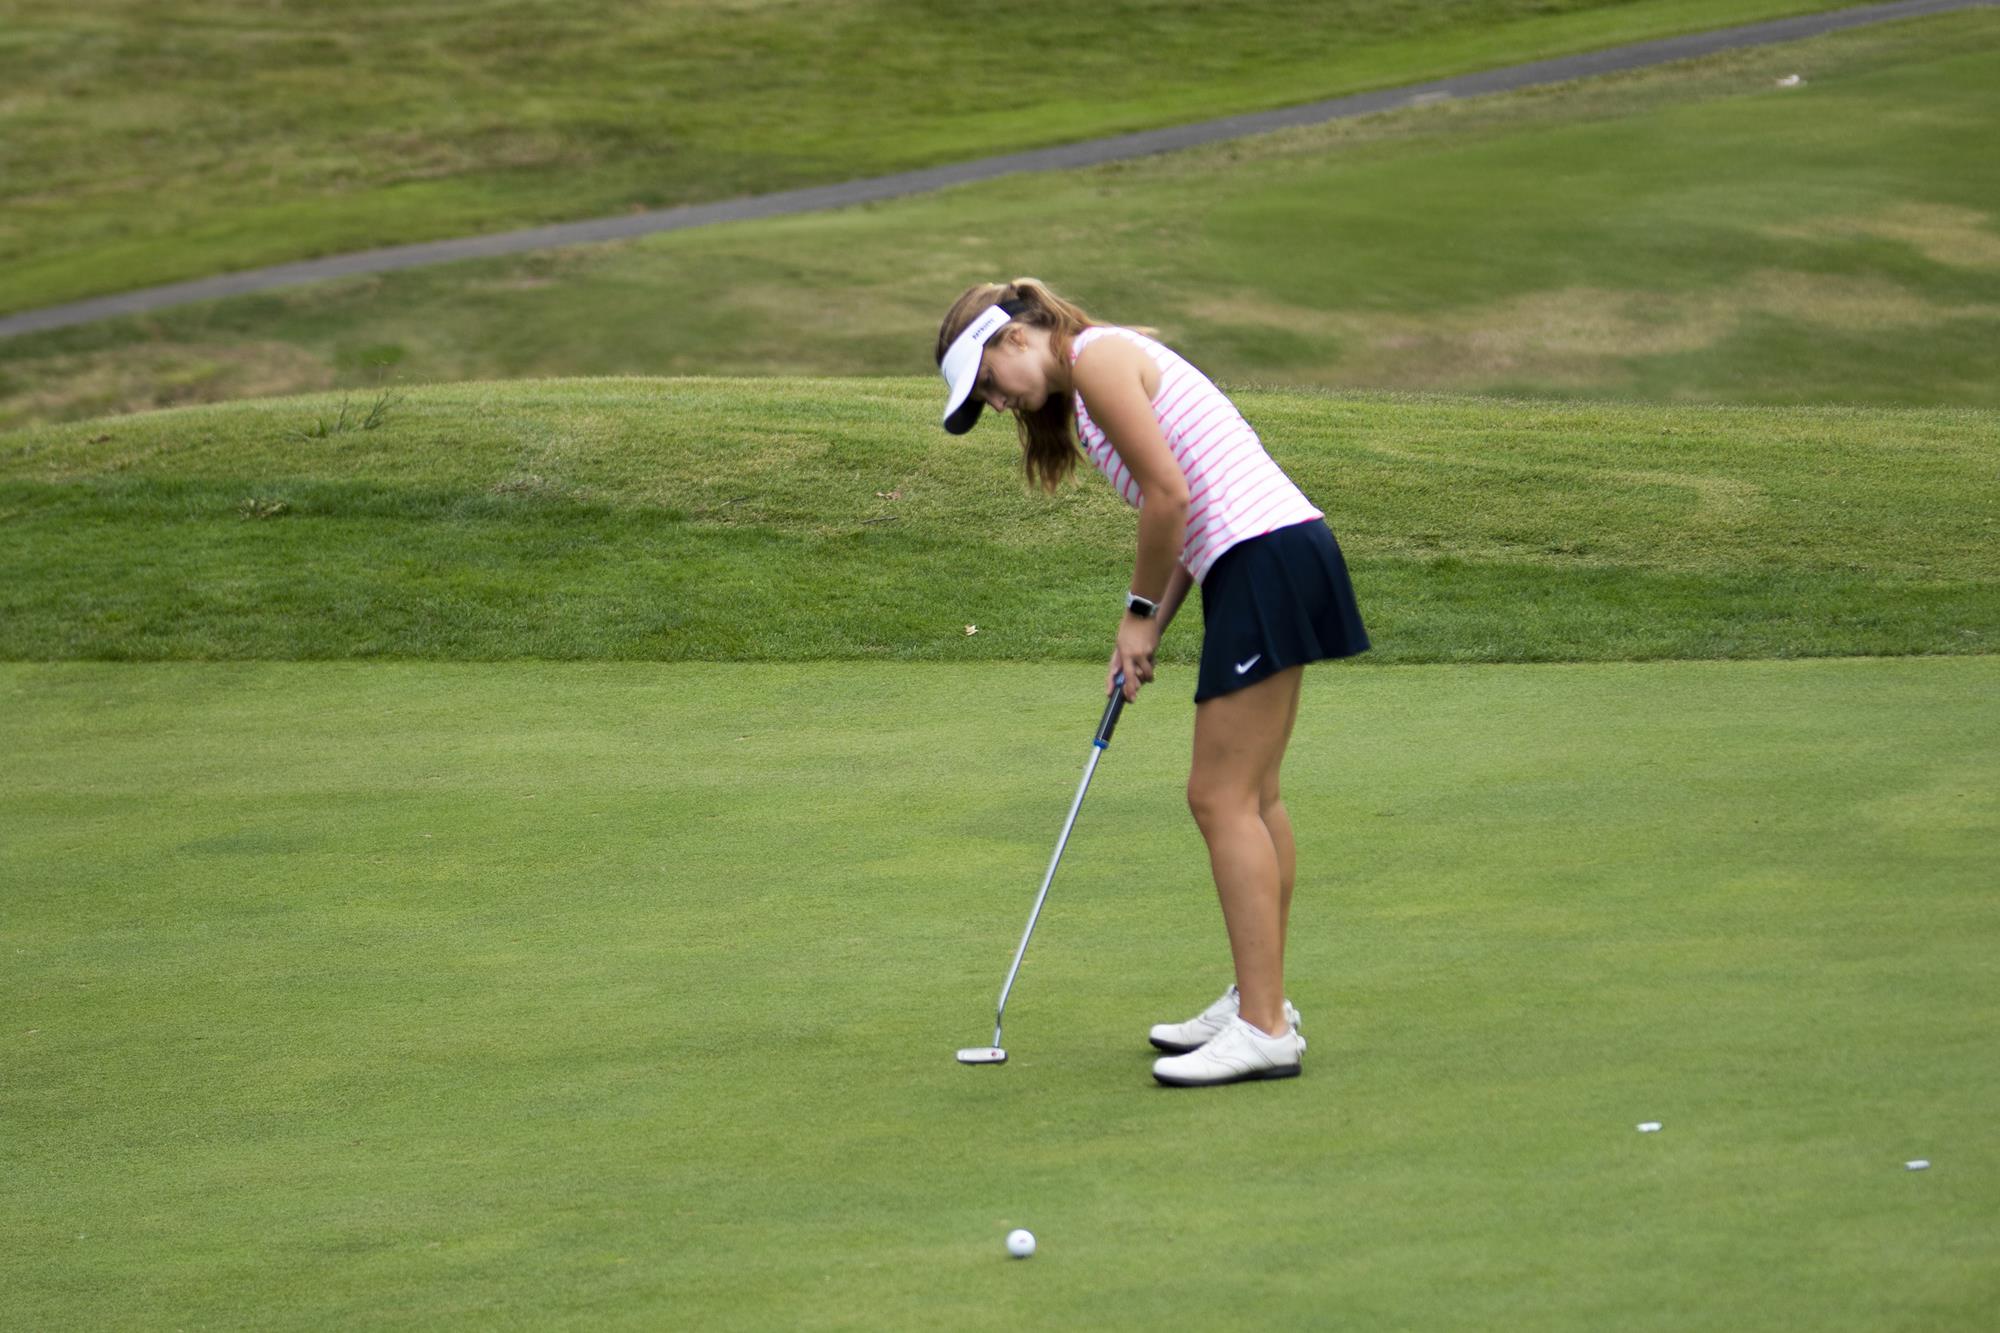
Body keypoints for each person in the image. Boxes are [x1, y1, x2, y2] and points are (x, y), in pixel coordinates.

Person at [934, 278, 1370, 1088]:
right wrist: (1147, 627)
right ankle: (1259, 998)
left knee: (1220, 796)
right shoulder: (1094, 377)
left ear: (1015, 336)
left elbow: (1169, 496)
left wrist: (1137, 612)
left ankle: (1265, 1027)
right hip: (1270, 553)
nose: (997, 403)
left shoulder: (1098, 361)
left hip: (1263, 556)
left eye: (990, 382)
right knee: (1255, 796)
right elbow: (1186, 513)